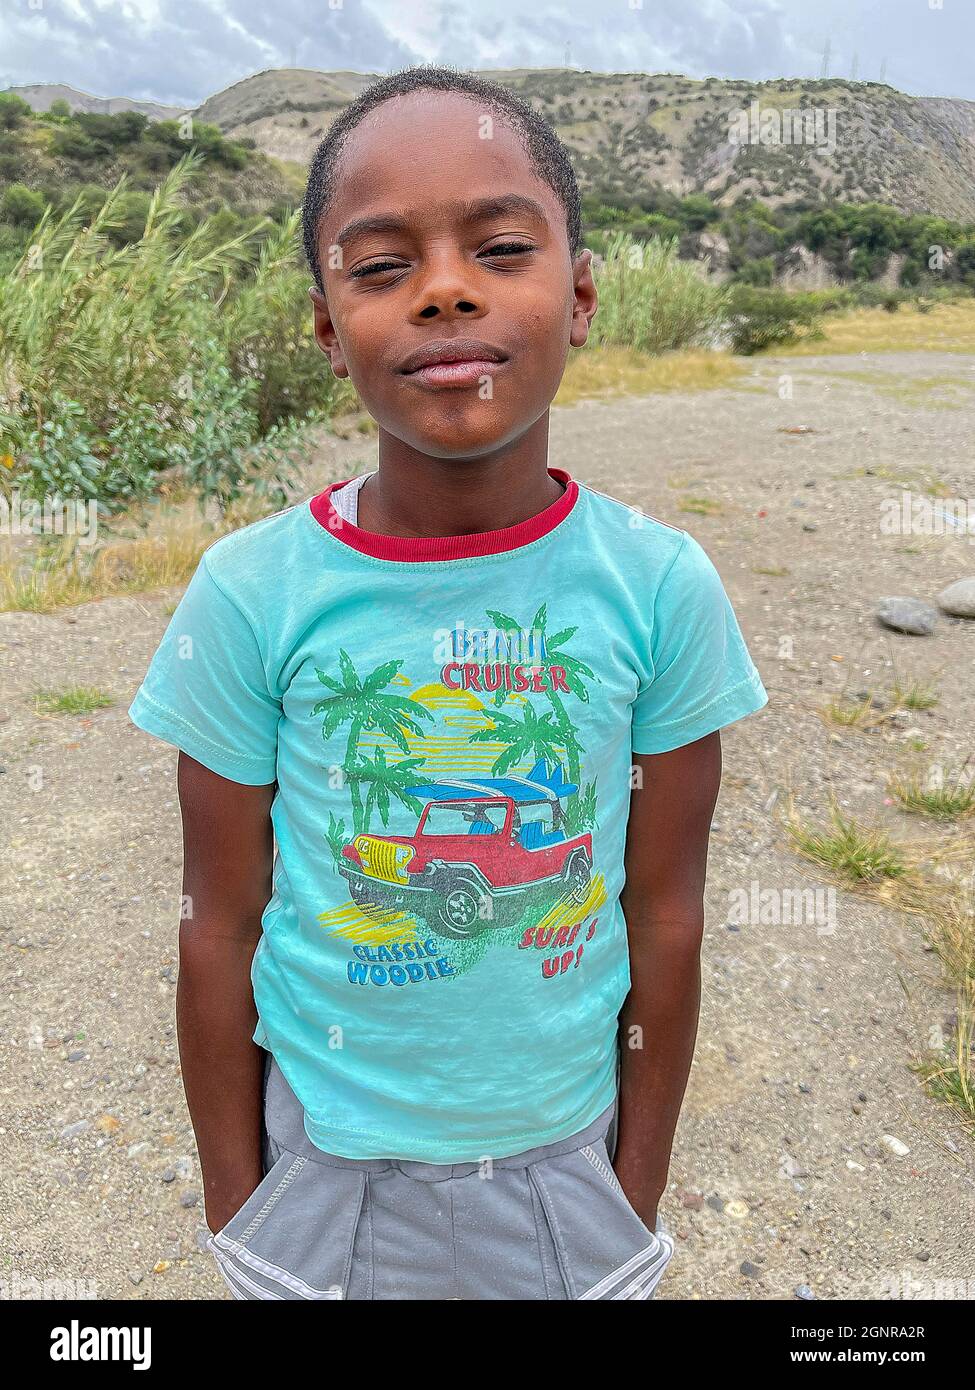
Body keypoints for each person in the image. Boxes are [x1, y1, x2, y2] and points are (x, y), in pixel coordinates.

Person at [129, 65, 767, 1300]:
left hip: (567, 1166)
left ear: (578, 297)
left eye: (500, 246)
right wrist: (238, 1205)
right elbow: (219, 923)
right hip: (324, 1168)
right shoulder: (249, 591)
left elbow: (665, 912)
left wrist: (633, 1184)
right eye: (380, 268)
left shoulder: (659, 586)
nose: (446, 288)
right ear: (326, 329)